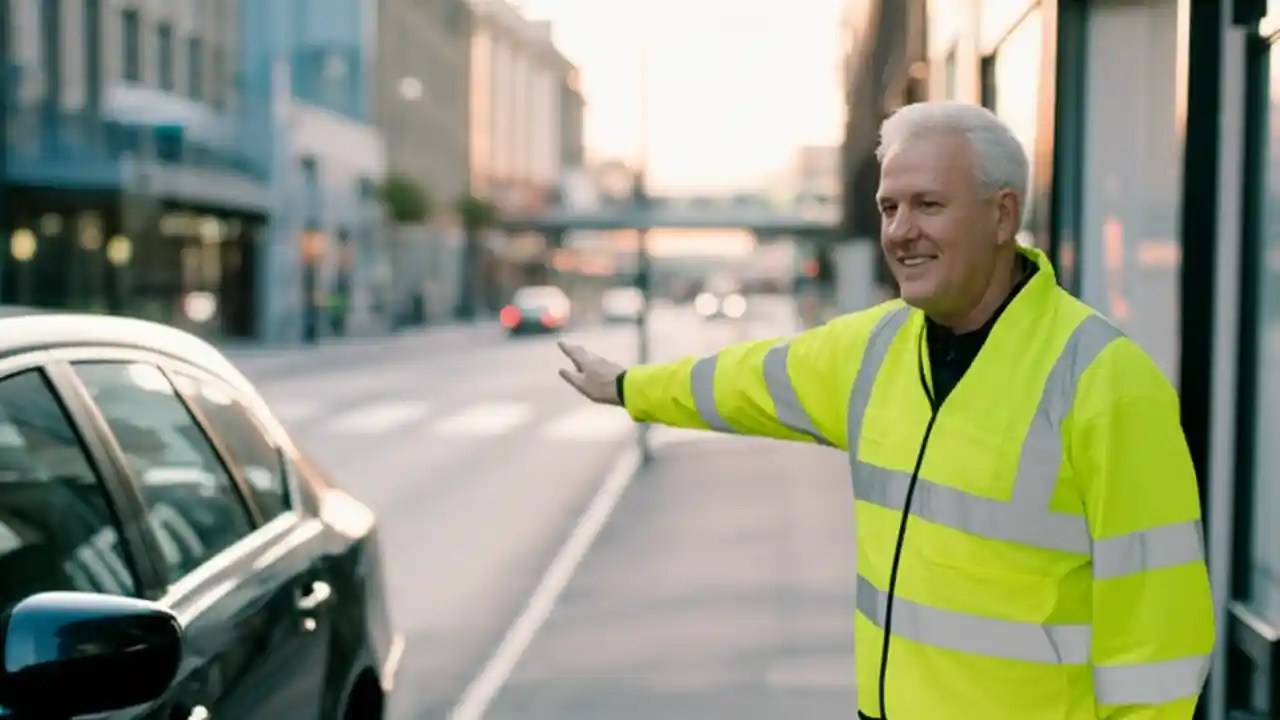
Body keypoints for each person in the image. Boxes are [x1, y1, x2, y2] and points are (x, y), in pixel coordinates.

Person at [557, 100, 1214, 719]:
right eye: (889, 207)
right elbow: (742, 380)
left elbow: (1160, 637)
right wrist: (630, 387)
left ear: (1002, 216)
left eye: (929, 204)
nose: (901, 232)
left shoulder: (1105, 381)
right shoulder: (872, 350)